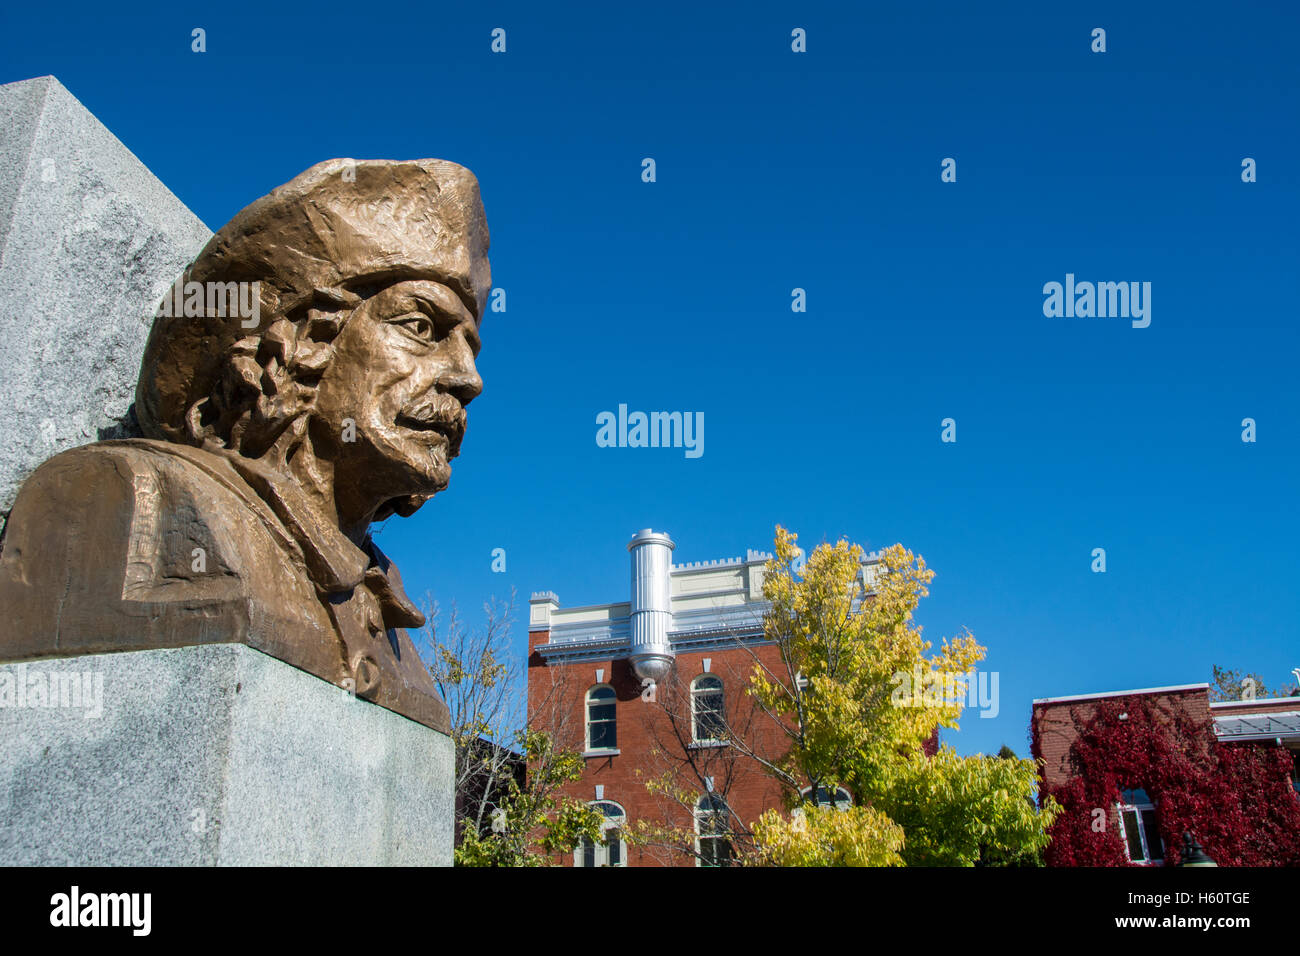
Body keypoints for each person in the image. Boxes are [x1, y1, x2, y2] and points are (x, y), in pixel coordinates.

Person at [0, 158, 492, 732]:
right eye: (421, 327)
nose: (468, 378)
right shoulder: (128, 499)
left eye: (470, 348)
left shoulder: (390, 617)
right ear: (303, 342)